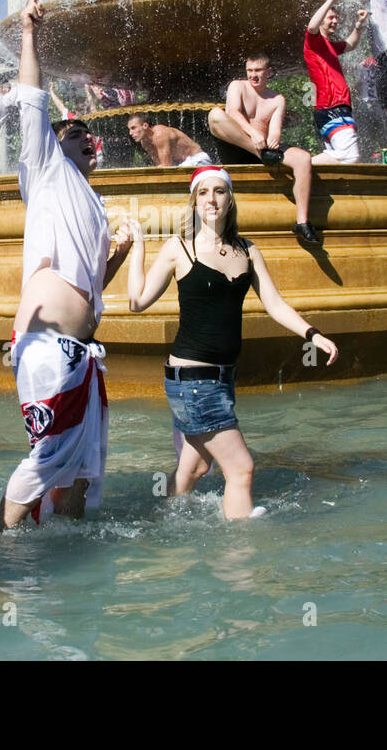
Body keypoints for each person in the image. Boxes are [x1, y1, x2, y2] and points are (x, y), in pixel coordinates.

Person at [0, 0, 134, 531]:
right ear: (56, 142)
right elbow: (32, 101)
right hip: (48, 346)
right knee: (49, 457)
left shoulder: (94, 205)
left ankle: (64, 554)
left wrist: (120, 255)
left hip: (81, 349)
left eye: (89, 136)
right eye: (74, 132)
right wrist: (30, 35)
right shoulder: (45, 168)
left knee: (79, 472)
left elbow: (93, 288)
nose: (85, 139)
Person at [126, 166, 337, 519]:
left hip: (222, 378)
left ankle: (164, 528)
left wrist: (312, 334)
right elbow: (137, 302)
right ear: (194, 201)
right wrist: (139, 248)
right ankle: (240, 555)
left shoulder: (247, 250)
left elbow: (274, 303)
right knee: (241, 469)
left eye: (220, 192)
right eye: (204, 193)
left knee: (194, 470)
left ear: (230, 199)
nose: (212, 199)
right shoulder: (180, 248)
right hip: (194, 381)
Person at [206, 55, 320, 244]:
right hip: (238, 146)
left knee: (303, 158)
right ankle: (259, 152)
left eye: (258, 70)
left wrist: (273, 139)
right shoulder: (238, 86)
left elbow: (274, 132)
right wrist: (253, 134)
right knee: (215, 115)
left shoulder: (277, 99)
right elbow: (232, 112)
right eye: (250, 70)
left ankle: (302, 222)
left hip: (265, 151)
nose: (253, 75)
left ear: (269, 72)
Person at [304, 0, 367, 164]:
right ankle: (300, 165)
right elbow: (312, 26)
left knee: (340, 157)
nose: (335, 21)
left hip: (337, 108)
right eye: (330, 17)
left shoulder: (329, 46)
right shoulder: (313, 42)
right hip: (331, 107)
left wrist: (359, 25)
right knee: (349, 156)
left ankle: (303, 167)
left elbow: (351, 44)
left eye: (336, 17)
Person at [126, 113, 211, 167]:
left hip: (197, 160)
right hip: (182, 164)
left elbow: (165, 166)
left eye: (133, 128)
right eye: (129, 129)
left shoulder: (160, 134)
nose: (130, 133)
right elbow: (159, 165)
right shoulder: (144, 142)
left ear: (145, 125)